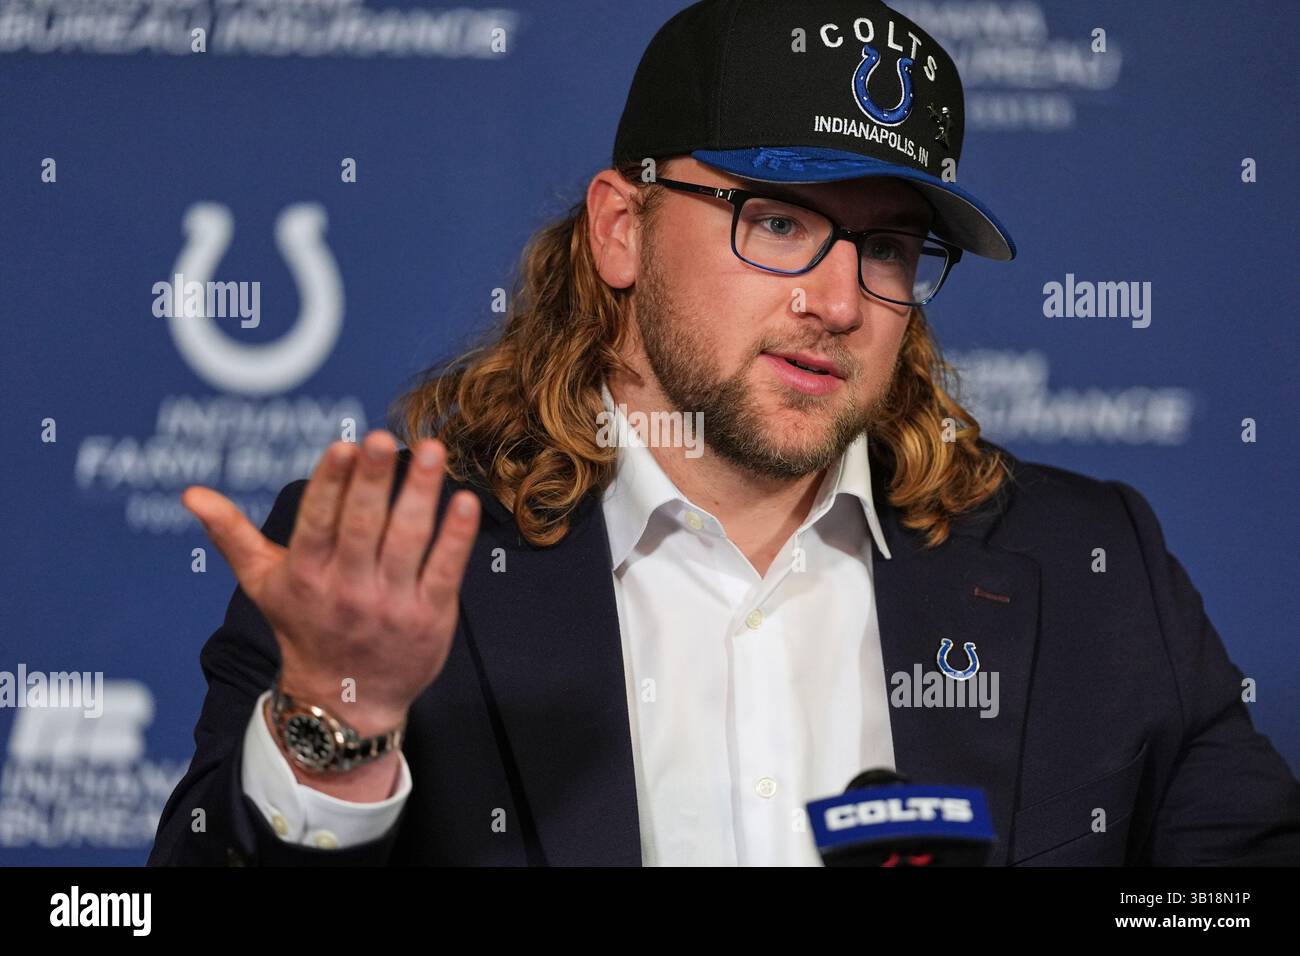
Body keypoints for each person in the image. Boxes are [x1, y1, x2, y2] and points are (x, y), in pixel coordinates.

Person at [149, 0, 1300, 866]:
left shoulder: (1093, 565)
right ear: (621, 231)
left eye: (886, 247)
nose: (839, 301)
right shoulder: (388, 560)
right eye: (780, 220)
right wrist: (333, 733)